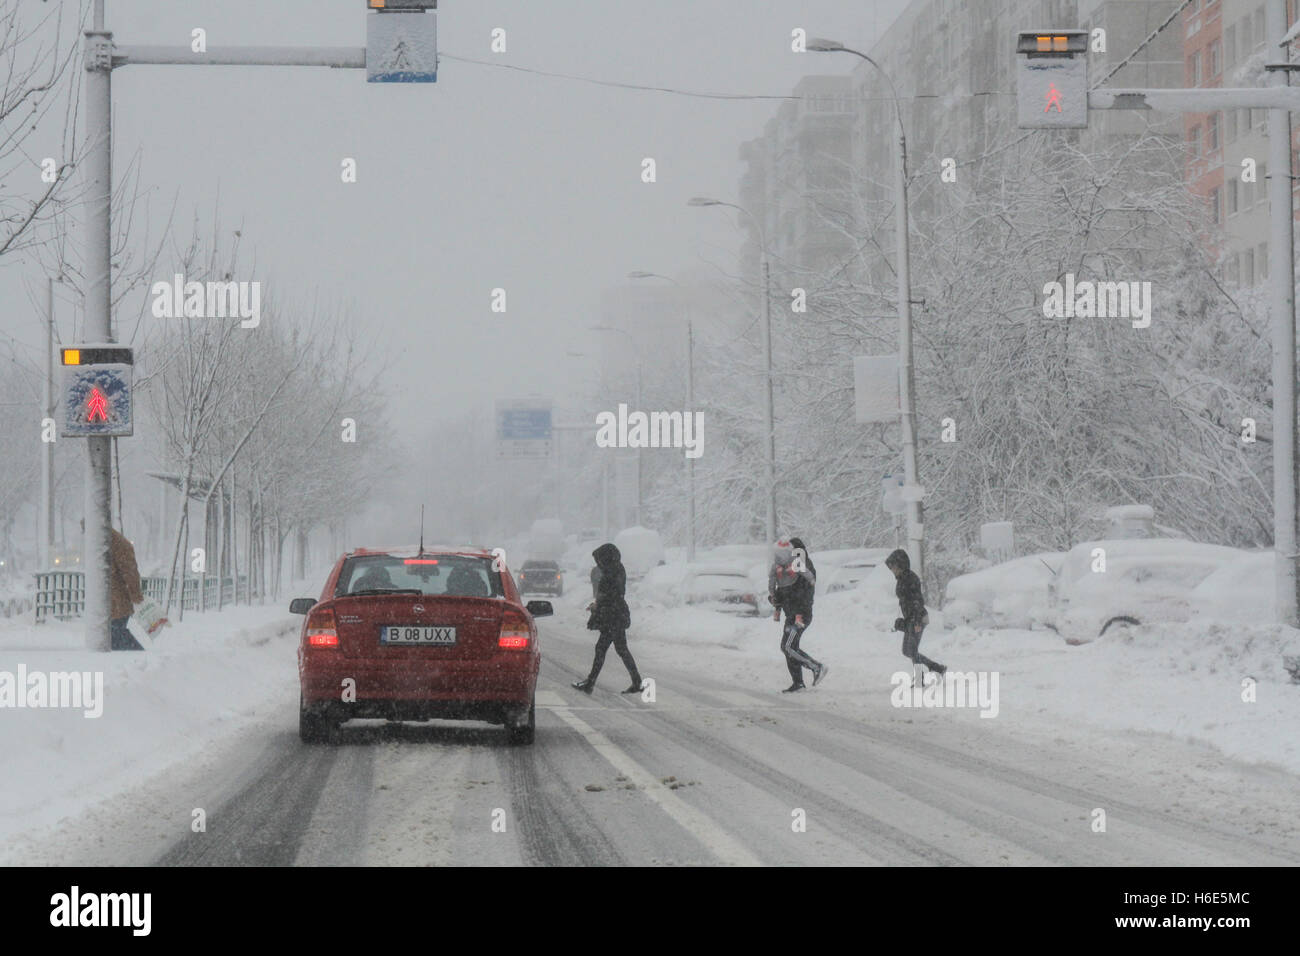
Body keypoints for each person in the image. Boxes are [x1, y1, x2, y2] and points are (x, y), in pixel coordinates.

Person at [572, 543, 643, 695]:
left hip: (612, 616)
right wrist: (598, 604)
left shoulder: (612, 571)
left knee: (602, 649)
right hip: (616, 615)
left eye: (599, 560)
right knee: (620, 649)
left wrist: (598, 605)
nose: (598, 564)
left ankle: (590, 683)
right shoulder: (617, 568)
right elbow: (613, 594)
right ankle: (636, 681)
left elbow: (610, 594)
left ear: (605, 558)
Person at [768, 537, 826, 692]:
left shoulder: (804, 565)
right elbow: (783, 590)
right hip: (791, 613)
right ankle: (798, 682)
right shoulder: (787, 567)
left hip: (801, 614)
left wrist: (798, 608)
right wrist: (776, 599)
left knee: (788, 646)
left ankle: (817, 667)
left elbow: (806, 592)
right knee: (788, 647)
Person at [885, 548, 945, 681]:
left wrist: (917, 621)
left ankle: (920, 678)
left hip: (918, 618)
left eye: (894, 567)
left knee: (911, 650)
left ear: (901, 565)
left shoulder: (911, 579)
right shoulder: (901, 579)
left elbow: (918, 601)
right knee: (907, 651)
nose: (892, 570)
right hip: (910, 619)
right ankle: (936, 667)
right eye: (891, 568)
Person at [108, 525, 145, 651]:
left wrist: (136, 595)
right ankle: (138, 657)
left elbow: (130, 572)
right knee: (115, 634)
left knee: (115, 634)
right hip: (114, 600)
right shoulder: (111, 541)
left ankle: (140, 657)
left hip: (117, 600)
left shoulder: (115, 543)